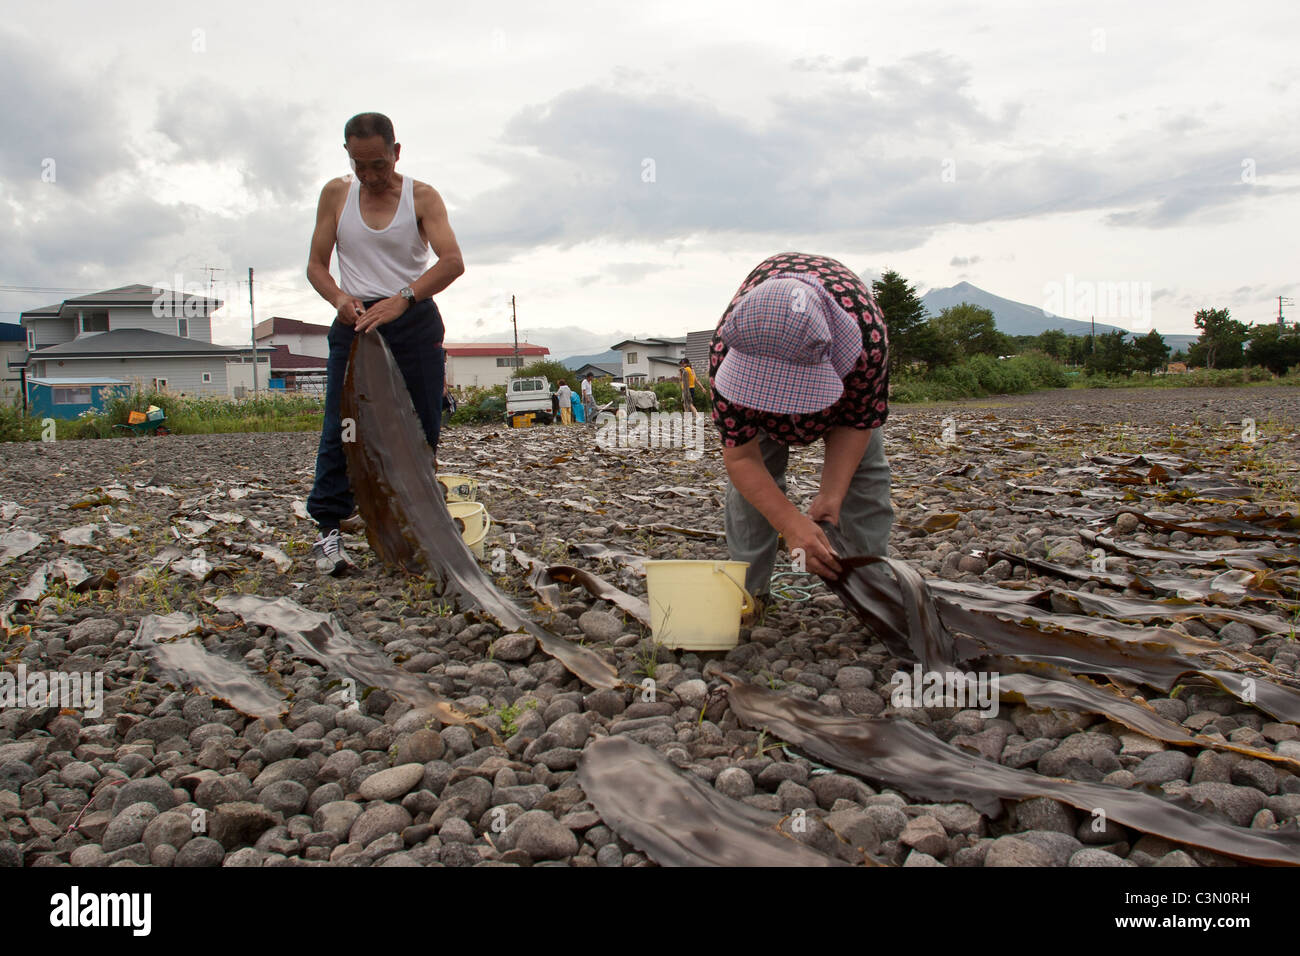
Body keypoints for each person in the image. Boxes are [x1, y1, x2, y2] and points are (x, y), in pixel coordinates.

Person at [305, 112, 465, 575]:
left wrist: (404, 297)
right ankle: (329, 527)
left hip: (411, 318)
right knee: (344, 425)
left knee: (421, 425)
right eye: (360, 165)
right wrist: (338, 297)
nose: (370, 175)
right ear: (347, 156)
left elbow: (452, 261)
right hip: (356, 322)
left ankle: (416, 520)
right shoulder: (336, 194)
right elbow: (316, 264)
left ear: (396, 151)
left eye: (378, 163)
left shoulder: (422, 196)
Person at [709, 252, 892, 607]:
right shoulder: (725, 351)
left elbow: (856, 423)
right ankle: (750, 593)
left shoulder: (867, 341)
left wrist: (831, 495)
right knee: (751, 496)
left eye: (789, 389)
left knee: (865, 480)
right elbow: (743, 457)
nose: (781, 403)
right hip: (754, 416)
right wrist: (789, 523)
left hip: (845, 395)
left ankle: (874, 592)